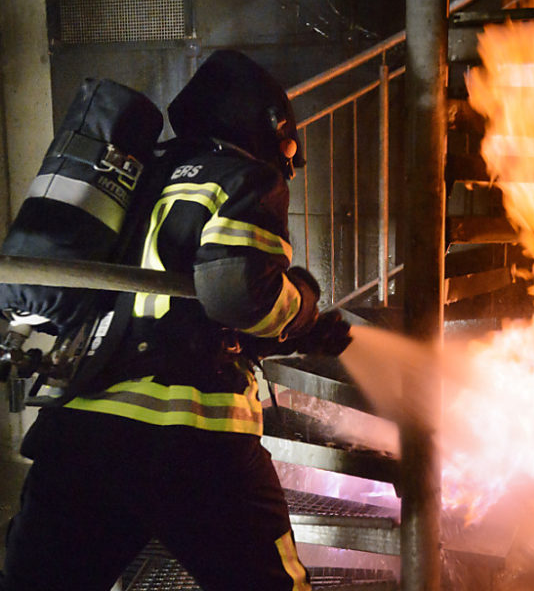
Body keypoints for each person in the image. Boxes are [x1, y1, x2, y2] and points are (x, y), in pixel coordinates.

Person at [1, 50, 350, 591]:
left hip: (86, 439)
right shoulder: (244, 176)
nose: (288, 158)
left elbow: (170, 306)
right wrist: (301, 302)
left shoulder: (134, 176)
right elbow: (236, 293)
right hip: (199, 446)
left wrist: (290, 336)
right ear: (268, 123)